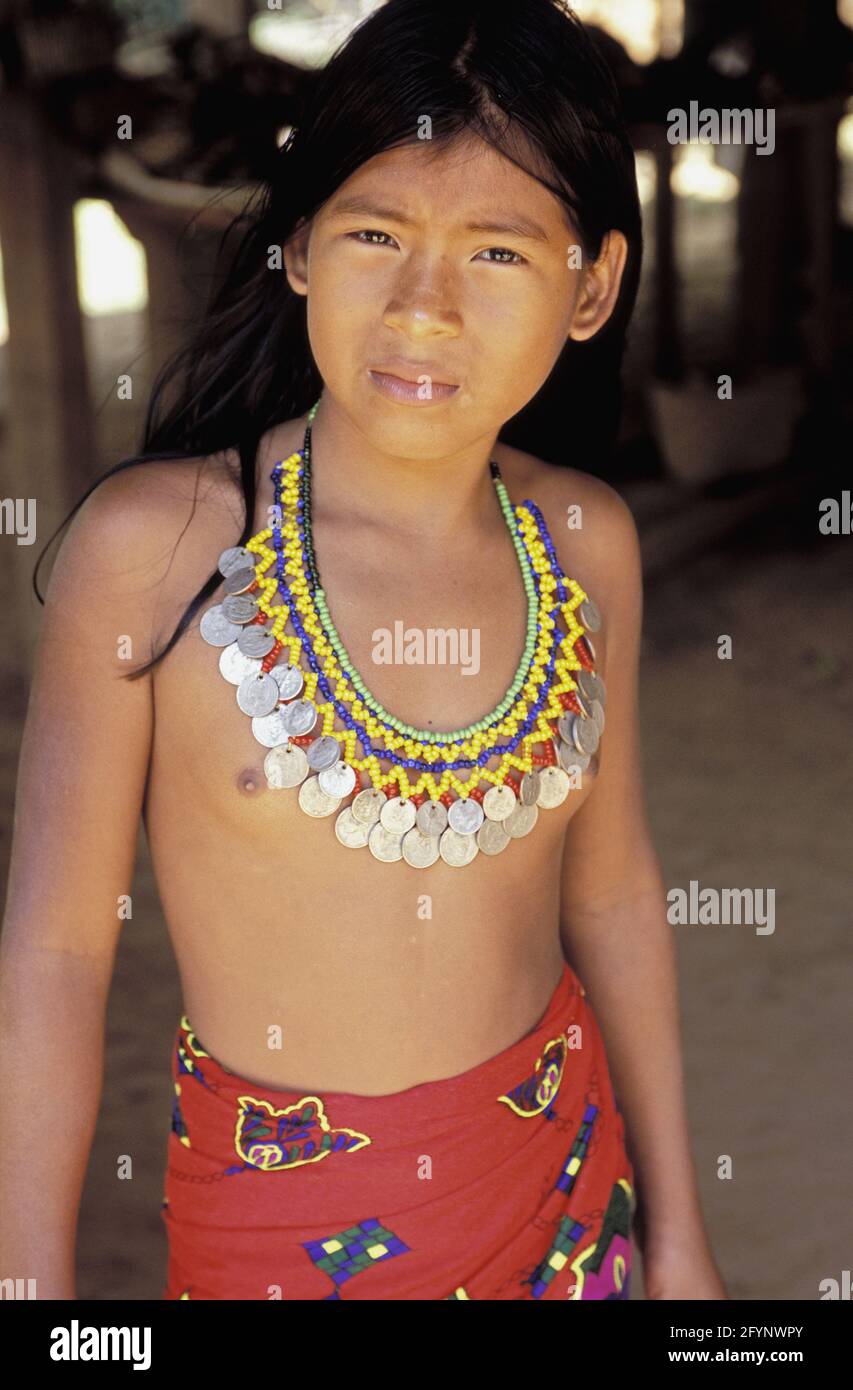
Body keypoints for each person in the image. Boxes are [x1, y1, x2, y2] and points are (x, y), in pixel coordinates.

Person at [0, 0, 727, 1300]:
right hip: (284, 1231)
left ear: (591, 285)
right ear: (295, 246)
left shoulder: (581, 540)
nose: (423, 306)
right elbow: (55, 951)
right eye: (376, 233)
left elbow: (610, 895)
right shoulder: (154, 548)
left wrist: (675, 1232)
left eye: (497, 252)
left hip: (569, 1199)